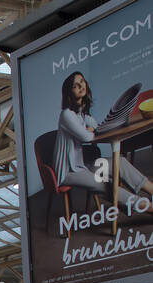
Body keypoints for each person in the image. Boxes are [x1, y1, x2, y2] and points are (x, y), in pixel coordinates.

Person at [55, 72, 153, 207]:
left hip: (84, 164)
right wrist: (90, 131)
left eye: (82, 81)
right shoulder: (66, 114)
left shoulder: (80, 113)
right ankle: (148, 207)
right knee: (106, 185)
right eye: (74, 85)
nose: (80, 85)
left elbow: (95, 124)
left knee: (120, 162)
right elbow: (86, 137)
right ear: (68, 92)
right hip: (69, 171)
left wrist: (91, 129)